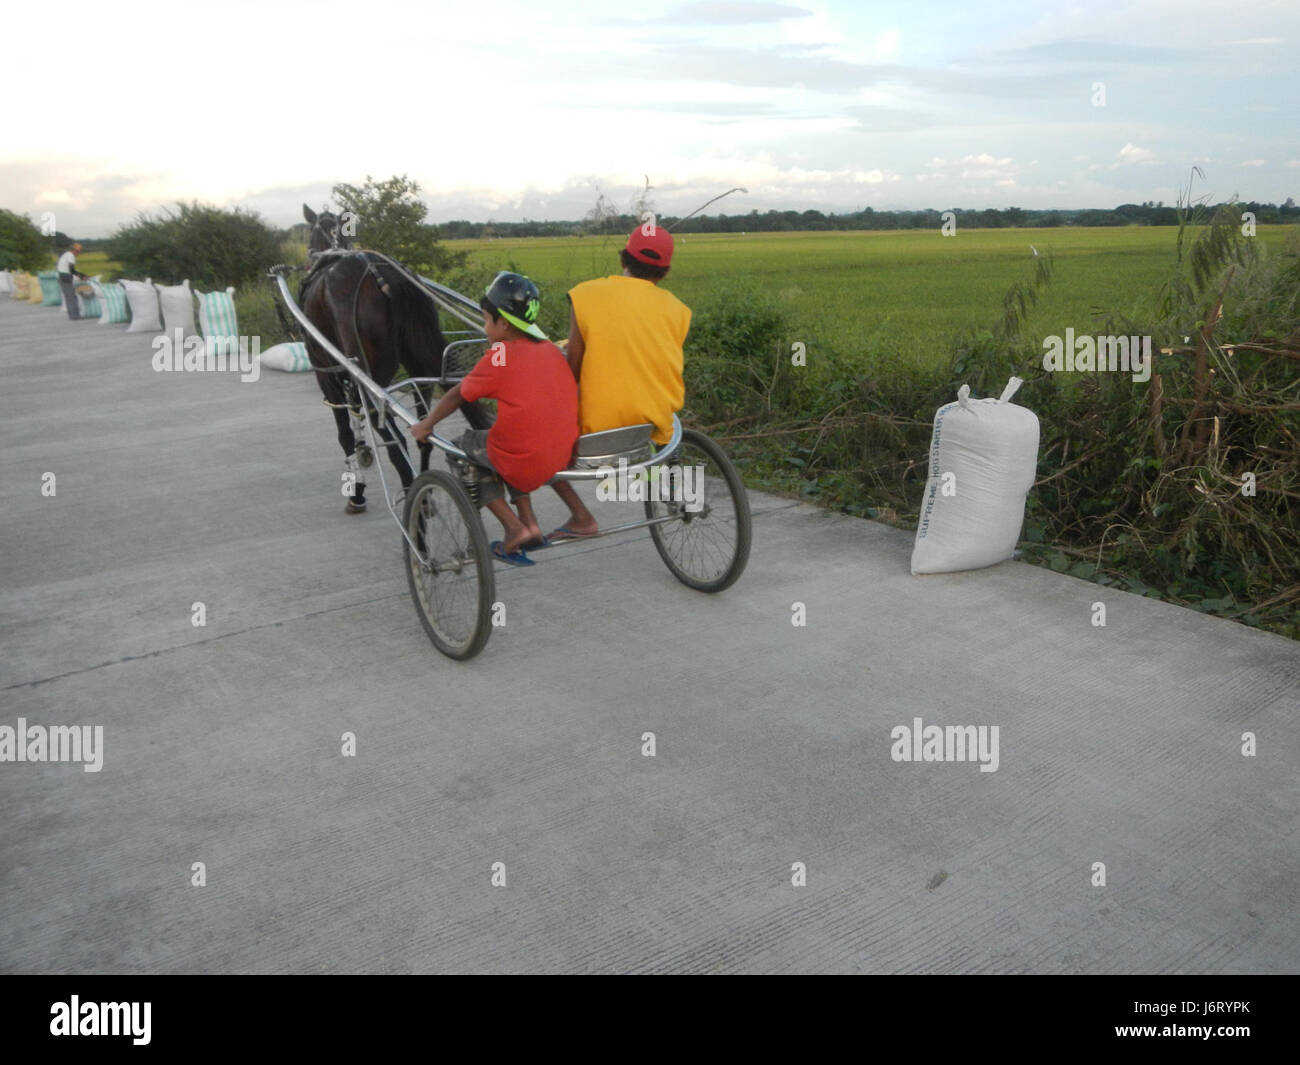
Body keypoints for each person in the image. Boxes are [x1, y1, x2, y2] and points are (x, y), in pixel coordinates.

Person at [410, 271, 578, 566]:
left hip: (525, 456)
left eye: (486, 320)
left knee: (463, 448)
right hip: (560, 453)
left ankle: (514, 528)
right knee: (506, 439)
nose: (485, 327)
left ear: (503, 323)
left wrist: (427, 424)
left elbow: (458, 394)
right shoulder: (552, 350)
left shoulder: (499, 355)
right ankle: (530, 524)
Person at [549, 224, 690, 540]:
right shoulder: (679, 311)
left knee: (524, 433)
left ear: (623, 258)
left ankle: (579, 517)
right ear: (665, 271)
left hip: (596, 431)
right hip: (653, 424)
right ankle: (670, 475)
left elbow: (573, 369)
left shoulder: (585, 294)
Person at [56, 243, 89, 320]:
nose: (78, 254)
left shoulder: (66, 254)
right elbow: (72, 270)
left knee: (68, 296)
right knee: (72, 297)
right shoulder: (71, 255)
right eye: (78, 252)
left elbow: (70, 270)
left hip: (61, 276)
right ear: (75, 250)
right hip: (65, 276)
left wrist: (81, 275)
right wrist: (81, 276)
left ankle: (71, 315)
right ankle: (75, 316)